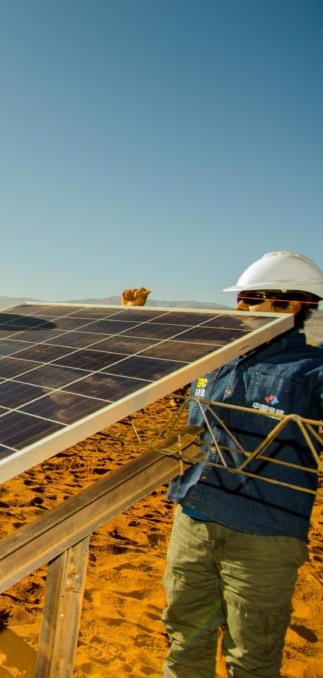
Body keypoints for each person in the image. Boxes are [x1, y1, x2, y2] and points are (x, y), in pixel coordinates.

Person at [128, 251, 323, 677]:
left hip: (264, 536)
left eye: (254, 298)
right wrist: (132, 323)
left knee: (252, 655)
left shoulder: (311, 370)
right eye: (242, 298)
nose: (241, 308)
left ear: (294, 305)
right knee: (183, 637)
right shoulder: (213, 359)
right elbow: (148, 374)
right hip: (193, 520)